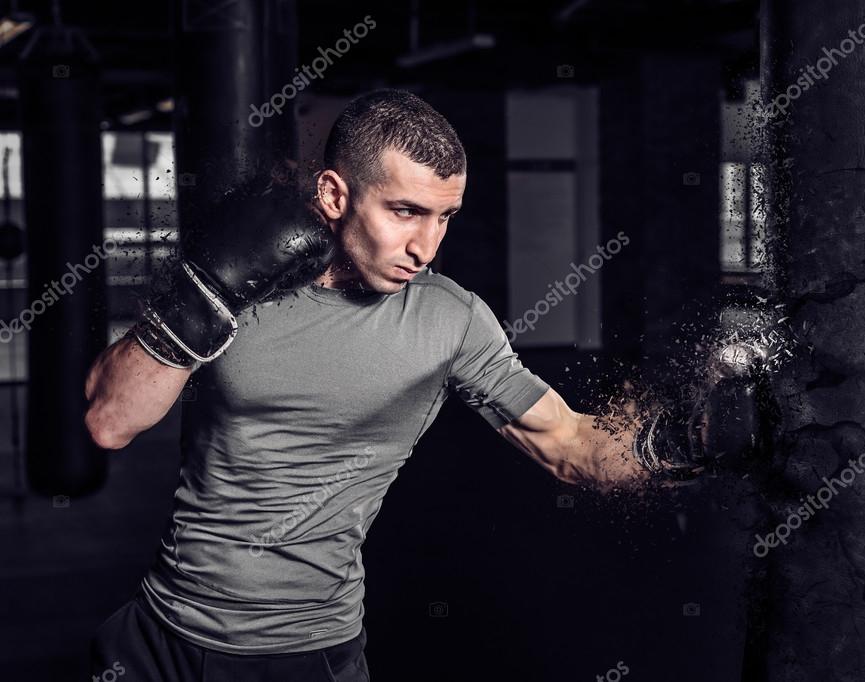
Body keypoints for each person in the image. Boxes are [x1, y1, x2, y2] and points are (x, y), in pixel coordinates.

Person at [83, 89, 763, 681]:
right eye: (405, 211)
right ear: (333, 195)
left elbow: (569, 443)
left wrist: (690, 432)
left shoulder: (448, 318)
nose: (426, 245)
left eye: (444, 217)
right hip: (157, 634)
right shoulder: (241, 289)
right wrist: (204, 293)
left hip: (300, 652)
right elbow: (110, 421)